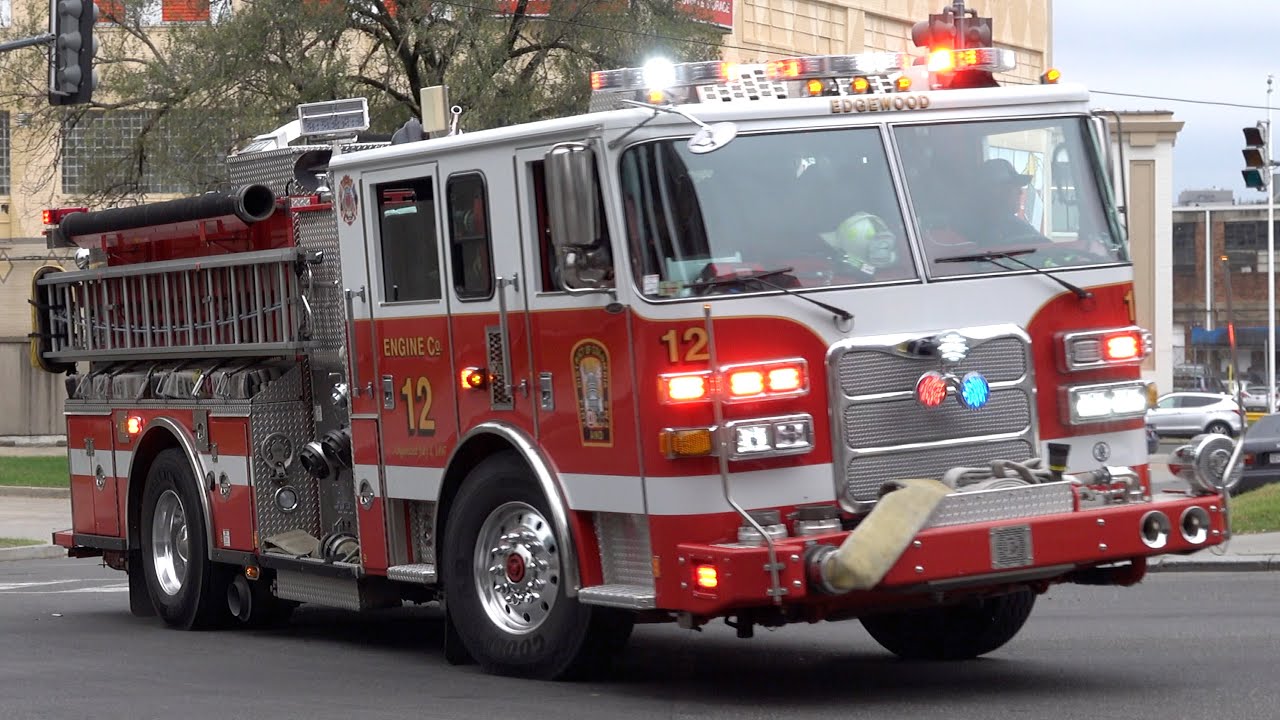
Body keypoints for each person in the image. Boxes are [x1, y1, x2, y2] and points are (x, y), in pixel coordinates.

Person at [975, 158, 1050, 246]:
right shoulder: (1012, 226)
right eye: (1015, 185)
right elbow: (1049, 249)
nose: (1020, 192)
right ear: (997, 190)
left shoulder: (970, 225)